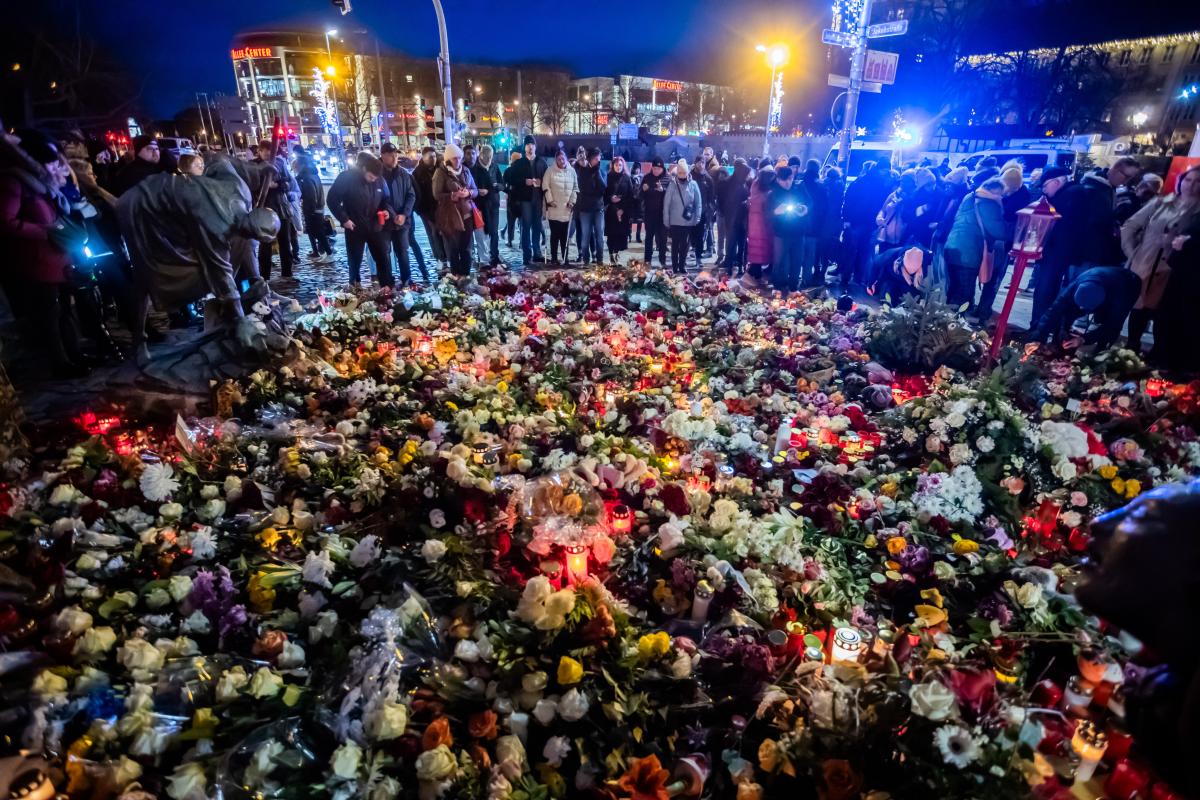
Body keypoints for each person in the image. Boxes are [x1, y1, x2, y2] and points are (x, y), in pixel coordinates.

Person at [0, 129, 86, 376]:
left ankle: (74, 353)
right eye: (49, 160)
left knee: (65, 310)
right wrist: (43, 230)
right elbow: (5, 221)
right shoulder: (15, 182)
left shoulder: (44, 185)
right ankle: (59, 363)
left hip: (57, 255)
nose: (55, 165)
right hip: (36, 259)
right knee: (49, 314)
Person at [1120, 164, 1200, 358]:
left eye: (1198, 181)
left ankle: (1158, 359)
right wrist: (1132, 253)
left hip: (1173, 273)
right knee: (1138, 312)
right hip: (1145, 264)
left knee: (1163, 318)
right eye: (1188, 180)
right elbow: (1130, 226)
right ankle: (1130, 354)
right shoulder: (1160, 203)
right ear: (1181, 181)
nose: (1192, 185)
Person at [1026, 265, 1141, 351]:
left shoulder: (1121, 297)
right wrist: (1038, 338)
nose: (1082, 311)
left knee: (1106, 321)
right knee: (1068, 311)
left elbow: (1112, 324)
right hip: (1101, 279)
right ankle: (1061, 342)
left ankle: (1101, 350)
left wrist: (1084, 339)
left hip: (1129, 283)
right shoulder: (1076, 285)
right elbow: (1054, 311)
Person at [326, 151, 394, 288]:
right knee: (355, 259)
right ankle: (355, 286)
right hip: (354, 226)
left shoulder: (380, 180)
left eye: (376, 178)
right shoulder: (346, 178)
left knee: (383, 256)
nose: (373, 180)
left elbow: (386, 199)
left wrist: (387, 211)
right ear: (364, 170)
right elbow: (332, 200)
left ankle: (387, 286)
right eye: (370, 177)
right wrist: (344, 219)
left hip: (375, 226)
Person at [974, 166, 1032, 322]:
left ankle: (984, 310)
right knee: (989, 276)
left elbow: (1006, 224)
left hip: (1004, 244)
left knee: (993, 278)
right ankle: (982, 309)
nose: (1003, 192)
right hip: (998, 242)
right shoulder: (1014, 196)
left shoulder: (1019, 199)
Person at [943, 176, 1006, 311]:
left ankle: (945, 323)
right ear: (994, 191)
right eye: (1001, 193)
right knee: (962, 295)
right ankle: (952, 328)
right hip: (968, 254)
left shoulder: (970, 197)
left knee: (953, 289)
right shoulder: (988, 203)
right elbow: (998, 230)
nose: (1002, 197)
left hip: (953, 247)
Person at [841, 159, 894, 286]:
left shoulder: (874, 182)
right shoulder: (865, 181)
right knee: (856, 251)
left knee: (862, 251)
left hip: (866, 222)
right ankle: (850, 278)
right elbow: (849, 200)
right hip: (860, 222)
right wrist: (847, 219)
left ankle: (855, 279)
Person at [254, 139, 300, 280]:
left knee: (285, 242)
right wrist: (264, 186)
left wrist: (278, 184)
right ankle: (264, 276)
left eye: (270, 150)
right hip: (264, 209)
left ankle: (287, 272)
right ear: (259, 151)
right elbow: (252, 185)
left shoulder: (279, 163)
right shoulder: (254, 166)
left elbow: (288, 183)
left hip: (281, 207)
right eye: (264, 150)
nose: (267, 153)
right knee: (265, 245)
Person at [432, 142, 478, 276]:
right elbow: (436, 194)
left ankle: (466, 275)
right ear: (448, 159)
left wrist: (468, 193)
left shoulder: (466, 170)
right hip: (450, 215)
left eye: (459, 157)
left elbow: (474, 189)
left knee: (467, 247)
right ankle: (456, 275)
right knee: (453, 247)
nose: (457, 160)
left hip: (467, 214)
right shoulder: (441, 172)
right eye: (454, 158)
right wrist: (452, 195)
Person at [768, 166, 816, 292]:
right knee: (779, 262)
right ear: (778, 179)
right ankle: (778, 286)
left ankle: (793, 287)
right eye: (784, 180)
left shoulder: (799, 187)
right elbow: (767, 213)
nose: (787, 182)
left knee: (797, 260)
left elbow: (810, 203)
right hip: (781, 233)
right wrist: (775, 211)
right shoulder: (773, 192)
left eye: (790, 179)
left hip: (798, 232)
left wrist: (805, 209)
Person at [380, 142, 421, 285]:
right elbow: (380, 198)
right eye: (391, 155)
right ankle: (387, 283)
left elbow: (411, 195)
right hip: (384, 222)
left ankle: (406, 280)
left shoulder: (403, 174)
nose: (394, 157)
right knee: (385, 253)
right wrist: (392, 214)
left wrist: (404, 214)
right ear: (383, 156)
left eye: (395, 154)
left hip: (402, 221)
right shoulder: (378, 174)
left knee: (403, 251)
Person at [504, 136, 547, 266]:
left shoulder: (541, 162)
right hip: (525, 200)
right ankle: (526, 255)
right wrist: (524, 181)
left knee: (537, 226)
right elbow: (511, 180)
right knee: (526, 226)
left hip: (538, 198)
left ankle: (537, 252)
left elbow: (547, 179)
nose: (530, 147)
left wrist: (542, 183)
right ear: (525, 147)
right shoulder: (519, 163)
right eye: (527, 144)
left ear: (535, 146)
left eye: (532, 144)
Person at [663, 159, 702, 276]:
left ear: (687, 173)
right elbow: (667, 204)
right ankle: (675, 266)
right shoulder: (672, 185)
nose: (682, 175)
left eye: (684, 173)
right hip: (675, 221)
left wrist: (697, 218)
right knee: (675, 245)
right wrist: (666, 219)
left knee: (685, 246)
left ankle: (682, 265)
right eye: (680, 173)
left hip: (688, 221)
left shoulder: (693, 184)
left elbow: (698, 203)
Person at [294, 149, 333, 264]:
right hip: (317, 208)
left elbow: (311, 196)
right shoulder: (313, 175)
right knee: (317, 232)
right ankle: (324, 252)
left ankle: (328, 253)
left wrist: (310, 210)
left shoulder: (306, 178)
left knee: (318, 233)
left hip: (313, 210)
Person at [541, 149, 578, 265]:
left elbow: (575, 188)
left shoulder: (572, 171)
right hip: (554, 208)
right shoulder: (550, 171)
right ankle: (554, 258)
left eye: (563, 158)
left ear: (566, 158)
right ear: (556, 160)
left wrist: (572, 201)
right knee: (555, 235)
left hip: (566, 209)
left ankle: (565, 257)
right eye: (559, 159)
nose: (561, 161)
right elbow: (545, 186)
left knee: (564, 235)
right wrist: (550, 200)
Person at [413, 146, 447, 270]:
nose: (433, 159)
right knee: (433, 233)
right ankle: (440, 257)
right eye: (430, 157)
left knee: (444, 232)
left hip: (441, 207)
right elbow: (416, 193)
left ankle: (445, 256)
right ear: (423, 158)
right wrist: (420, 209)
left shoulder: (441, 168)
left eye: (434, 156)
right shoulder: (417, 173)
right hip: (426, 209)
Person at [471, 144, 502, 267]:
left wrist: (495, 187)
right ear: (481, 155)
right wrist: (478, 191)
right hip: (480, 205)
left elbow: (502, 184)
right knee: (481, 233)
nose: (489, 159)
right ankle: (483, 259)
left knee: (494, 232)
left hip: (493, 203)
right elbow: (471, 187)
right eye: (487, 156)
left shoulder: (494, 167)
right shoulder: (475, 169)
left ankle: (494, 255)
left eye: (491, 157)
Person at [574, 147, 607, 265]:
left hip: (598, 208)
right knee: (585, 237)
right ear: (590, 159)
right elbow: (583, 187)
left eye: (599, 158)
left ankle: (600, 260)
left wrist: (596, 172)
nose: (597, 161)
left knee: (599, 236)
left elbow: (603, 189)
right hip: (585, 209)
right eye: (595, 159)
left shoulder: (600, 171)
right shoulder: (582, 170)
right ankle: (586, 261)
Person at [746, 167, 776, 281]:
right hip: (762, 221)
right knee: (762, 245)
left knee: (756, 246)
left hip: (754, 222)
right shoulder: (766, 192)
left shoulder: (756, 185)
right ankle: (757, 269)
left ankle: (755, 268)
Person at [817, 166, 845, 285]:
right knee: (828, 249)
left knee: (819, 248)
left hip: (822, 221)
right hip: (835, 222)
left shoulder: (823, 185)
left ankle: (816, 272)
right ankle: (823, 273)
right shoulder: (840, 187)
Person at [605, 156, 635, 264]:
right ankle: (611, 256)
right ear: (613, 165)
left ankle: (616, 254)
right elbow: (604, 194)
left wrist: (623, 209)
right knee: (611, 235)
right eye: (616, 165)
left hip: (623, 212)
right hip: (611, 211)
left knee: (620, 235)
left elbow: (630, 195)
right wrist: (610, 198)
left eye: (620, 165)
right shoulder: (608, 177)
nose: (618, 167)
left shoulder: (627, 178)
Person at [641, 158, 669, 268]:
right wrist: (643, 190)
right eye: (654, 168)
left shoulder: (668, 178)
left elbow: (672, 196)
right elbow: (639, 196)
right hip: (649, 214)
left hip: (663, 214)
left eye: (658, 168)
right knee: (649, 238)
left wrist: (663, 190)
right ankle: (647, 261)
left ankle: (663, 260)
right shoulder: (647, 178)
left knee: (662, 239)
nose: (656, 170)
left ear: (662, 168)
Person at [688, 156, 715, 268]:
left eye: (703, 162)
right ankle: (684, 257)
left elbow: (711, 198)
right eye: (699, 162)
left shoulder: (708, 179)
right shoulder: (689, 176)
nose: (701, 165)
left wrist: (710, 212)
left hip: (702, 213)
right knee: (689, 236)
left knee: (699, 237)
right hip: (689, 212)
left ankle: (698, 258)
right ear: (695, 163)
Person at [503, 151, 521, 248]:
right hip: (522, 199)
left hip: (511, 200)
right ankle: (522, 242)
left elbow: (503, 185)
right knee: (522, 223)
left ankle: (510, 240)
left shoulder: (508, 171)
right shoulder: (523, 170)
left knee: (511, 222)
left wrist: (508, 190)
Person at [629, 161, 645, 244]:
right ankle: (629, 236)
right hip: (632, 202)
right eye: (636, 169)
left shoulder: (642, 178)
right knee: (630, 220)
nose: (637, 170)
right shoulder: (630, 178)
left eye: (638, 169)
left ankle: (638, 236)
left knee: (639, 220)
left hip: (640, 202)